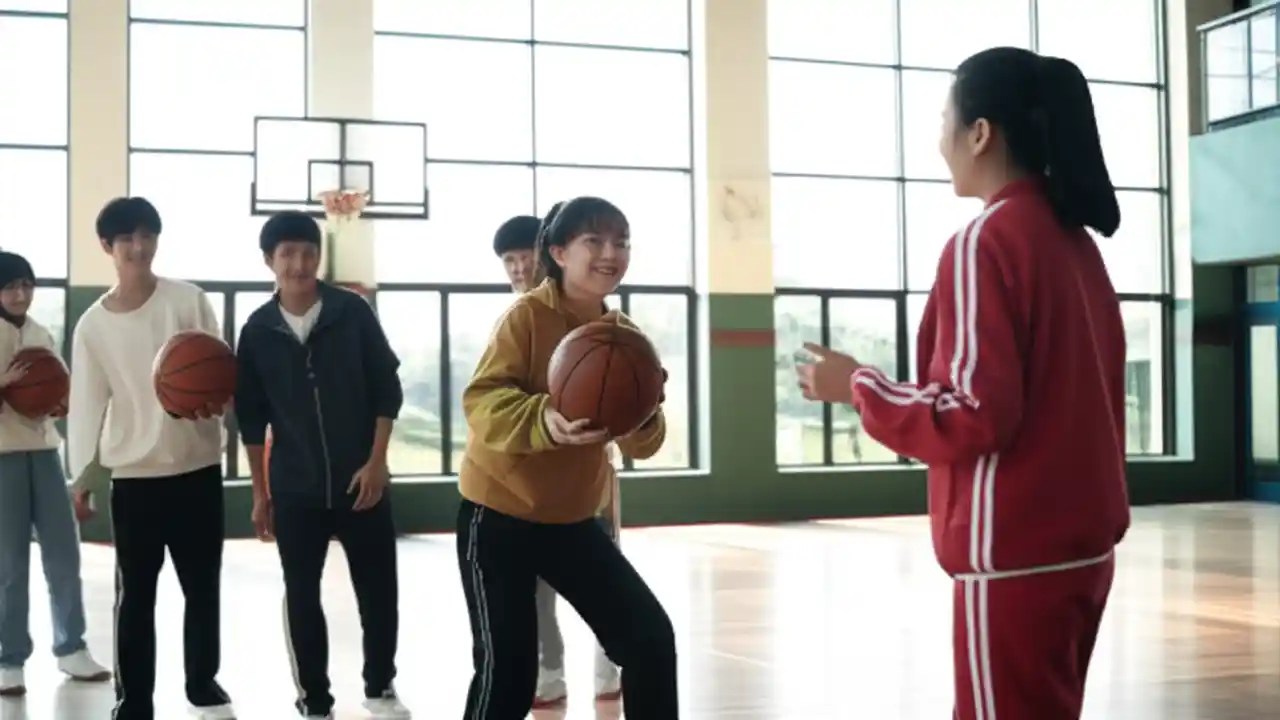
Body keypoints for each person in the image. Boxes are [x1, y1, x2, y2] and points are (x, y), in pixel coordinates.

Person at [796, 47, 1129, 720]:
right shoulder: (1074, 242)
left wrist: (858, 384)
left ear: (980, 133)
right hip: (1082, 554)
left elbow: (975, 412)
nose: (939, 138)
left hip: (1016, 559)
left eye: (945, 119)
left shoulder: (987, 241)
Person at [459, 197, 677, 719]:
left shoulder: (626, 339)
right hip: (499, 516)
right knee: (509, 675)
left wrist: (644, 409)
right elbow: (481, 401)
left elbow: (643, 444)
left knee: (648, 639)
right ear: (558, 253)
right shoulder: (526, 317)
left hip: (572, 521)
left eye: (621, 243)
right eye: (594, 241)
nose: (611, 253)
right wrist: (544, 418)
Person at [234, 211, 409, 720]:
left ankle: (380, 688)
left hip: (362, 482)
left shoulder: (352, 312)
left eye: (309, 252)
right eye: (287, 253)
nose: (299, 263)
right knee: (301, 596)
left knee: (379, 593)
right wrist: (261, 494)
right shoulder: (257, 330)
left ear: (319, 257)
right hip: (295, 489)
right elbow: (251, 420)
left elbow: (387, 389)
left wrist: (377, 463)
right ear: (269, 260)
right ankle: (314, 699)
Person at [67, 197, 235, 720]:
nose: (139, 247)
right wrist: (80, 478)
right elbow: (86, 404)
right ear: (107, 247)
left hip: (197, 468)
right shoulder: (92, 326)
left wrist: (216, 402)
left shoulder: (188, 300)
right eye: (126, 239)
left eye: (147, 235)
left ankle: (202, 683)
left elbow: (220, 371)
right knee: (136, 595)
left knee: (202, 589)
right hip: (136, 478)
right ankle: (134, 699)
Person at [492, 214, 623, 706]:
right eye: (509, 261)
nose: (519, 268)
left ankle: (610, 669)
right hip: (526, 487)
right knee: (533, 590)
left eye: (525, 257)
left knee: (605, 583)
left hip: (588, 481)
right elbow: (488, 402)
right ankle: (548, 673)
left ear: (552, 256)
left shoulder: (595, 320)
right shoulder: (516, 321)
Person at [0, 251, 111, 697]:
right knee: (9, 564)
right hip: (4, 457)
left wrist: (58, 401)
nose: (20, 294)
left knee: (64, 554)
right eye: (11, 286)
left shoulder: (40, 333)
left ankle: (71, 647)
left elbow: (53, 393)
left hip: (46, 452)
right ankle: (9, 659)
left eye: (27, 285)